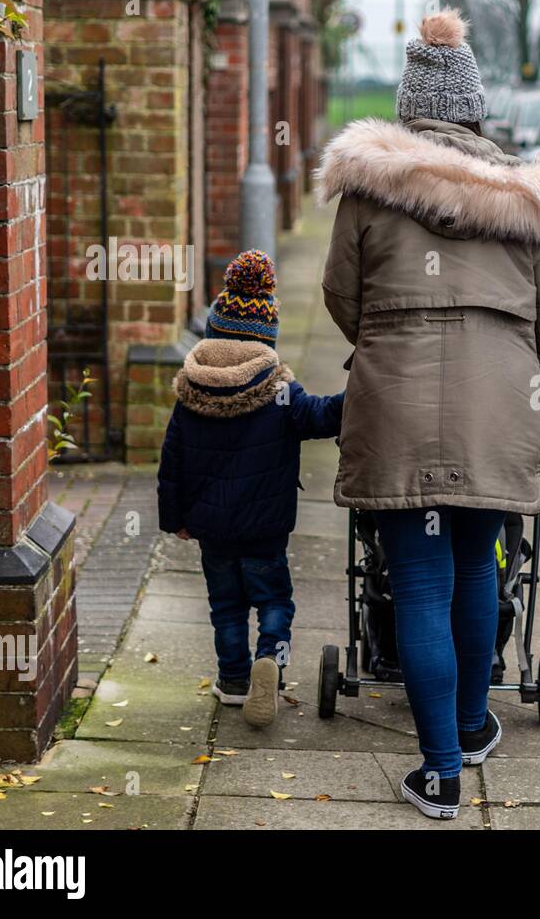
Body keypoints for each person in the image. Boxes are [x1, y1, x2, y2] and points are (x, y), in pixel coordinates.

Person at [317, 8, 540, 819]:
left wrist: (392, 340)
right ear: (476, 110)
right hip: (497, 409)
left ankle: (440, 774)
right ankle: (469, 725)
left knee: (418, 582)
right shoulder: (528, 200)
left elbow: (341, 299)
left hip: (395, 403)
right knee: (476, 568)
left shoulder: (365, 194)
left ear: (406, 110)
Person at [157, 250, 344, 728]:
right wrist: (360, 389)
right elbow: (323, 417)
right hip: (265, 529)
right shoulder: (280, 391)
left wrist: (173, 520)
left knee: (226, 606)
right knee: (275, 601)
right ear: (268, 339)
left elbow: (172, 463)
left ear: (214, 332)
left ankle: (234, 680)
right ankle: (272, 665)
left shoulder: (191, 392)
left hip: (211, 529)